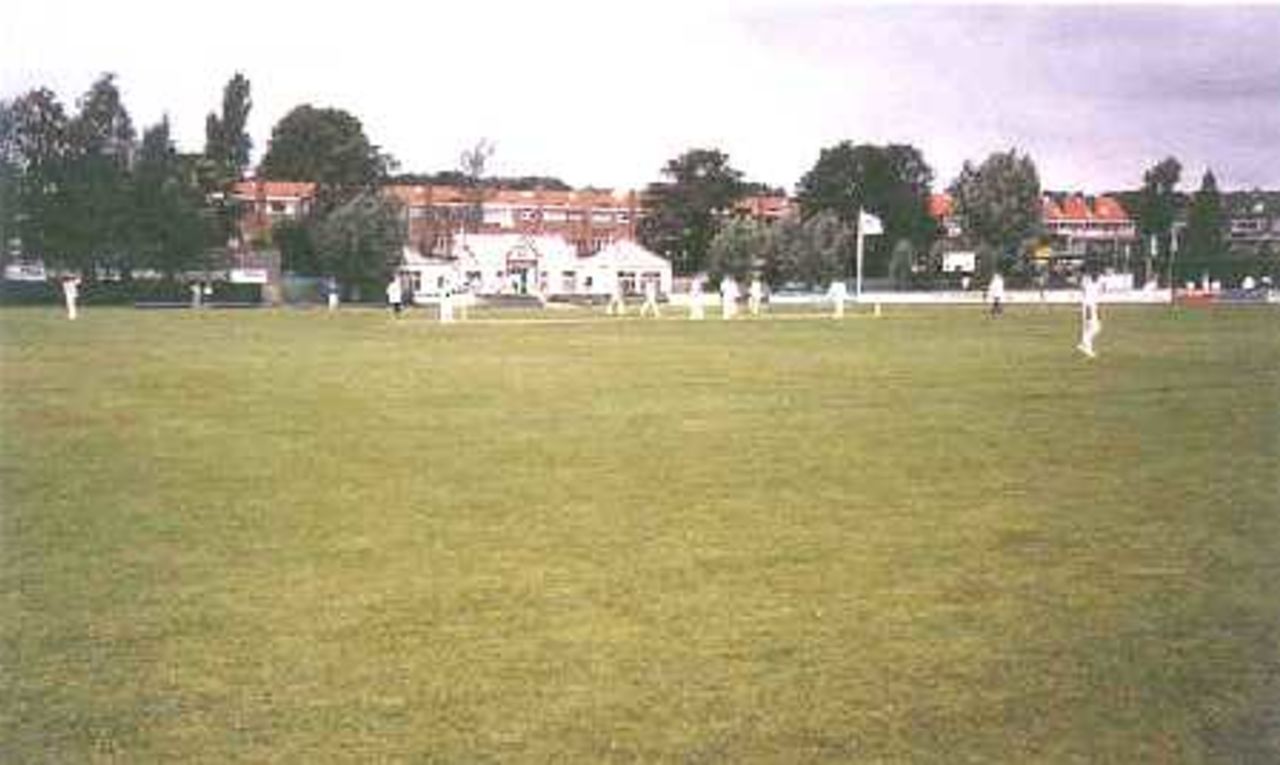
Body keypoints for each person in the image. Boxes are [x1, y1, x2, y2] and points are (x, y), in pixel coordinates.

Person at [1078, 272, 1102, 358]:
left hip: (1092, 308)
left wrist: (1098, 314)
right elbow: (1088, 302)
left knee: (1090, 329)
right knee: (1095, 329)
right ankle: (1088, 349)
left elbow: (1096, 301)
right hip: (1089, 309)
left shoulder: (1094, 286)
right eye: (1097, 277)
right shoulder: (1091, 286)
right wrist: (1088, 318)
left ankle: (1083, 344)